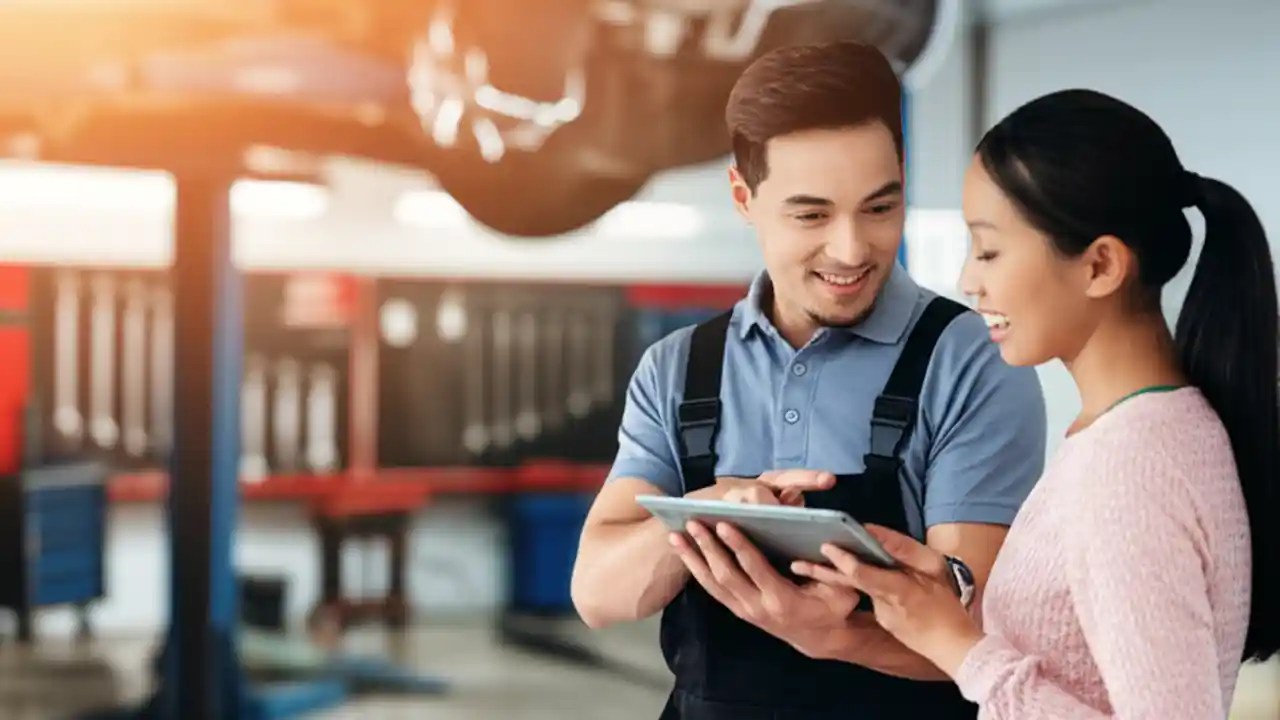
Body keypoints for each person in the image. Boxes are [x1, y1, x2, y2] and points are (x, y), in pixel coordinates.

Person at [570, 41, 1047, 719]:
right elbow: (599, 593)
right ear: (744, 196)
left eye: (879, 208)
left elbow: (986, 636)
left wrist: (832, 637)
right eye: (811, 215)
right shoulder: (678, 369)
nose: (852, 250)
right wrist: (717, 509)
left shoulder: (970, 359)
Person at [793, 88, 1279, 719]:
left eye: (989, 249)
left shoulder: (1130, 468)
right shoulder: (1145, 430)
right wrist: (952, 601)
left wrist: (963, 649)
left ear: (1100, 265)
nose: (970, 279)